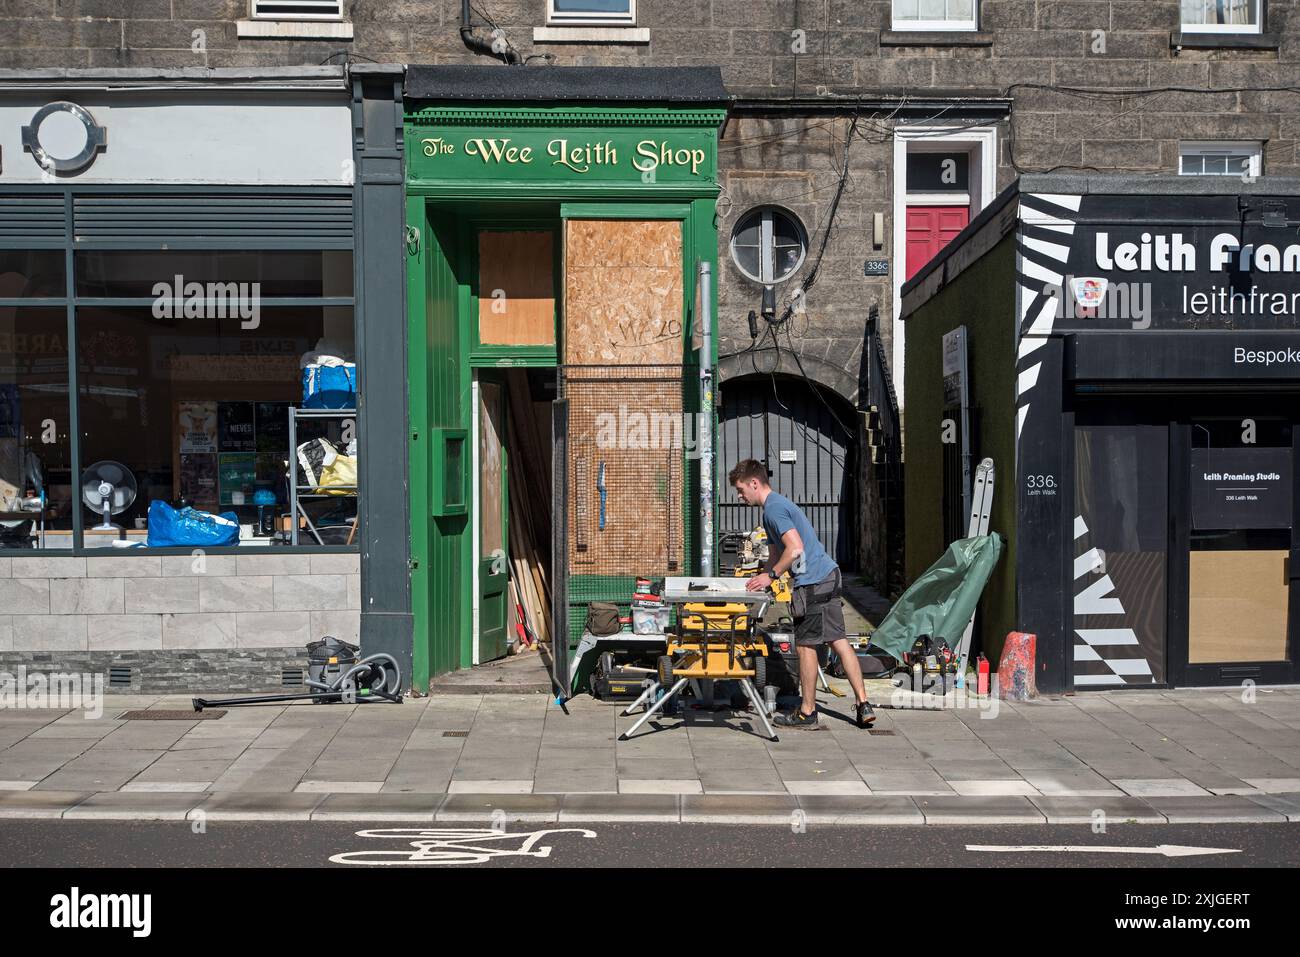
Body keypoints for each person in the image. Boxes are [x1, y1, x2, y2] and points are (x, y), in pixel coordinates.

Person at [729, 458, 876, 729]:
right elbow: (777, 553)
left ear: (754, 483)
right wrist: (764, 577)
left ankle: (807, 713)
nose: (740, 497)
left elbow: (794, 549)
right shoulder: (774, 508)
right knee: (838, 641)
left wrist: (771, 576)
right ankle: (864, 704)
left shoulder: (773, 509)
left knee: (806, 645)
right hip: (828, 574)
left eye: (740, 490)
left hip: (813, 582)